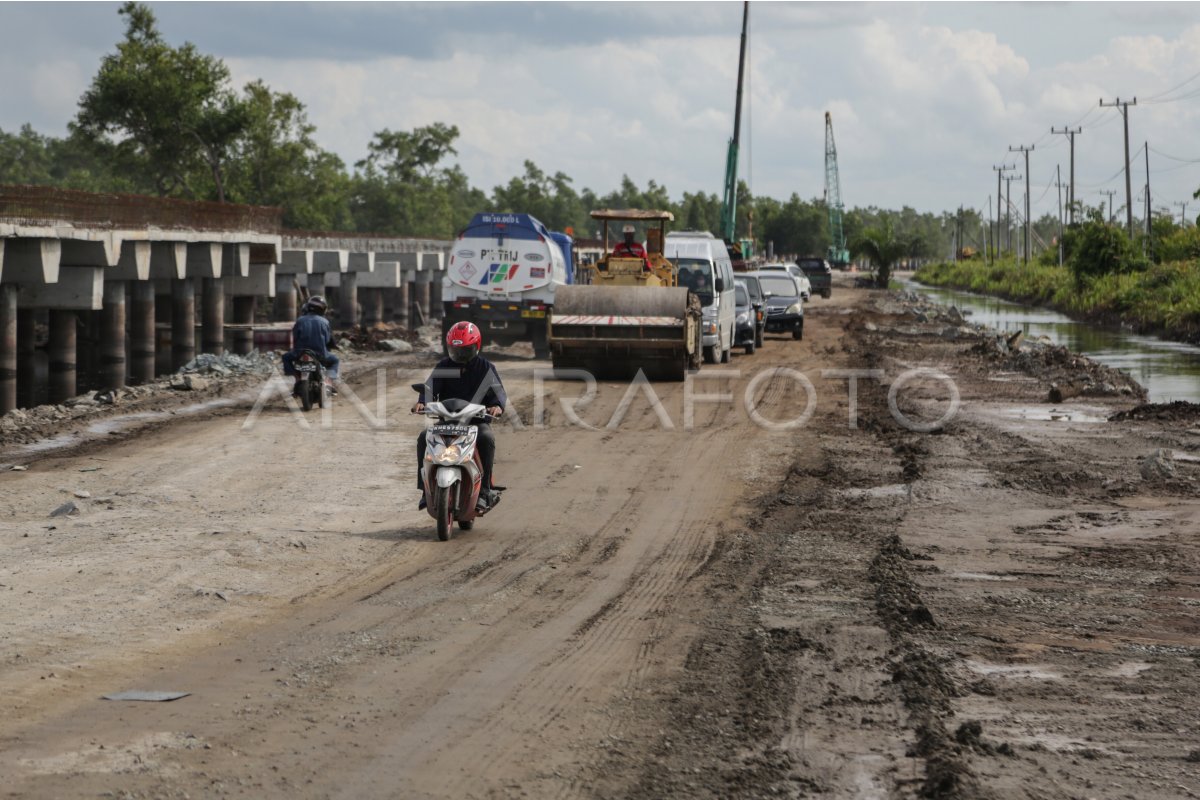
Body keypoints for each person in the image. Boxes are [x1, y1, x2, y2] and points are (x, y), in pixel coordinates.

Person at [412, 321, 506, 511]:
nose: (460, 355)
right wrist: (422, 401)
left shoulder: (485, 368)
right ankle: (425, 489)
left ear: (476, 347)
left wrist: (496, 406)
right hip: (447, 421)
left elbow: (498, 393)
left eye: (465, 350)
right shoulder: (444, 366)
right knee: (424, 437)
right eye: (456, 350)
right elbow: (430, 387)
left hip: (475, 422)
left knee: (487, 438)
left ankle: (485, 491)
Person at [282, 295, 339, 394]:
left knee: (285, 357)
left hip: (300, 353)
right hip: (320, 354)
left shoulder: (300, 320)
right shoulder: (325, 322)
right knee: (335, 360)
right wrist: (334, 345)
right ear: (323, 309)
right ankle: (328, 383)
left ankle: (297, 379)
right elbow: (329, 339)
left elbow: (295, 337)